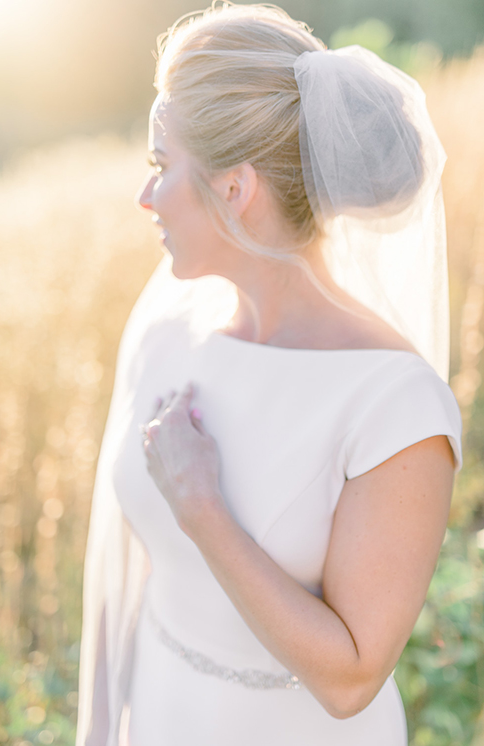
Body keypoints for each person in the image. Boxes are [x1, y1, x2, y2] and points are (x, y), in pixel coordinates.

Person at [76, 5, 462, 745]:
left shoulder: (395, 401)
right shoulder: (166, 330)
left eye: (160, 166)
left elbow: (351, 678)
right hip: (159, 708)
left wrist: (202, 507)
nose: (144, 196)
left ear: (234, 187)